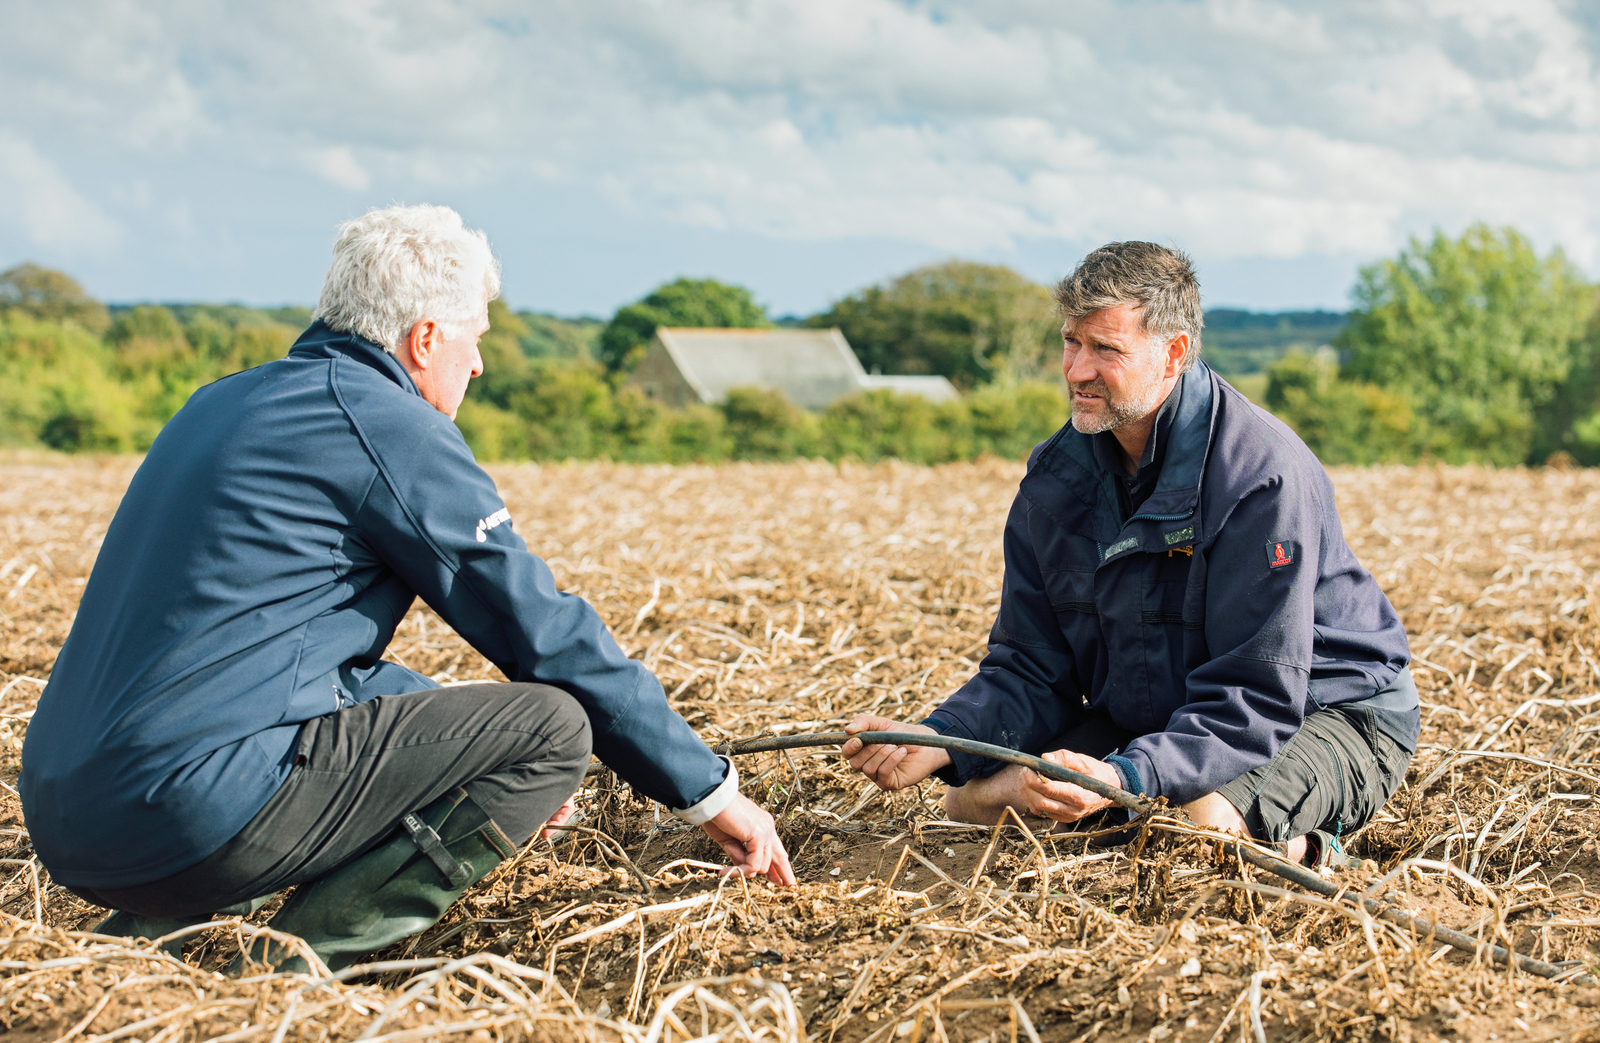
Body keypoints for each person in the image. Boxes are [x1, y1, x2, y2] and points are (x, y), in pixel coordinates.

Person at [20, 205, 793, 971]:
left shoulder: (222, 401)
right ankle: (291, 966)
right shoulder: (386, 423)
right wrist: (708, 791)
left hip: (70, 810)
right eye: (475, 338)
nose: (479, 364)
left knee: (336, 718)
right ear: (426, 339)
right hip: (194, 814)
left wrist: (454, 763)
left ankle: (139, 943)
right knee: (553, 728)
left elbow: (289, 662)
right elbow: (542, 633)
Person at [843, 242, 1415, 867]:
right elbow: (1032, 667)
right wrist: (940, 739)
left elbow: (1254, 695)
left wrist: (1123, 777)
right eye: (1071, 342)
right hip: (1167, 716)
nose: (1076, 369)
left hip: (1322, 712)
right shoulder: (1055, 478)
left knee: (1195, 826)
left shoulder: (1259, 478)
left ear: (1173, 354)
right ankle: (1125, 807)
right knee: (975, 801)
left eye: (1106, 349)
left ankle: (1306, 850)